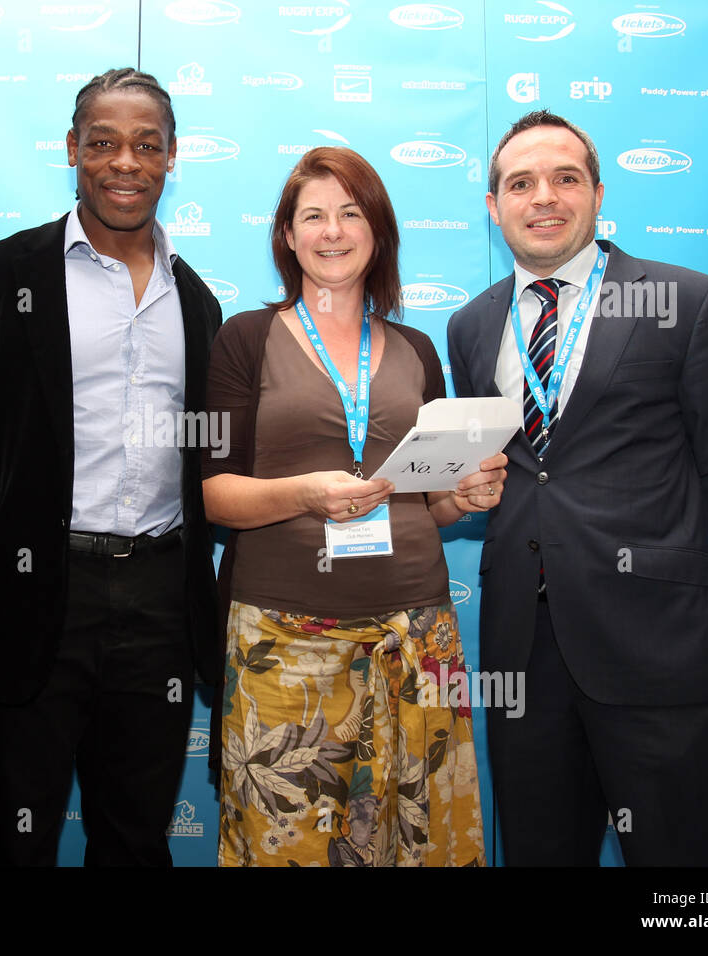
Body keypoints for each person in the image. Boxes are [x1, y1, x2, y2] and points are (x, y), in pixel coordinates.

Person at [446, 110, 708, 866]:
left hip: (656, 645)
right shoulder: (472, 326)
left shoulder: (686, 300)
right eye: (520, 183)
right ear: (495, 208)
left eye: (565, 178)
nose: (543, 197)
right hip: (523, 656)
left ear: (596, 193)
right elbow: (502, 468)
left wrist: (655, 548)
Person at [0, 68, 222, 866]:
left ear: (171, 158)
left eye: (145, 145)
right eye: (102, 143)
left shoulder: (197, 305)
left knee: (134, 841)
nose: (123, 162)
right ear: (72, 151)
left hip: (159, 606)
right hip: (28, 598)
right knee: (10, 842)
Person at [203, 147, 506, 867]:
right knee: (287, 848)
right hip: (284, 642)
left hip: (416, 635)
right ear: (286, 234)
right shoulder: (245, 338)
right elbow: (215, 494)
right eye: (313, 215)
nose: (332, 231)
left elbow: (426, 503)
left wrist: (459, 498)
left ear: (378, 231)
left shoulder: (417, 348)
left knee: (422, 841)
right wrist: (306, 492)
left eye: (350, 212)